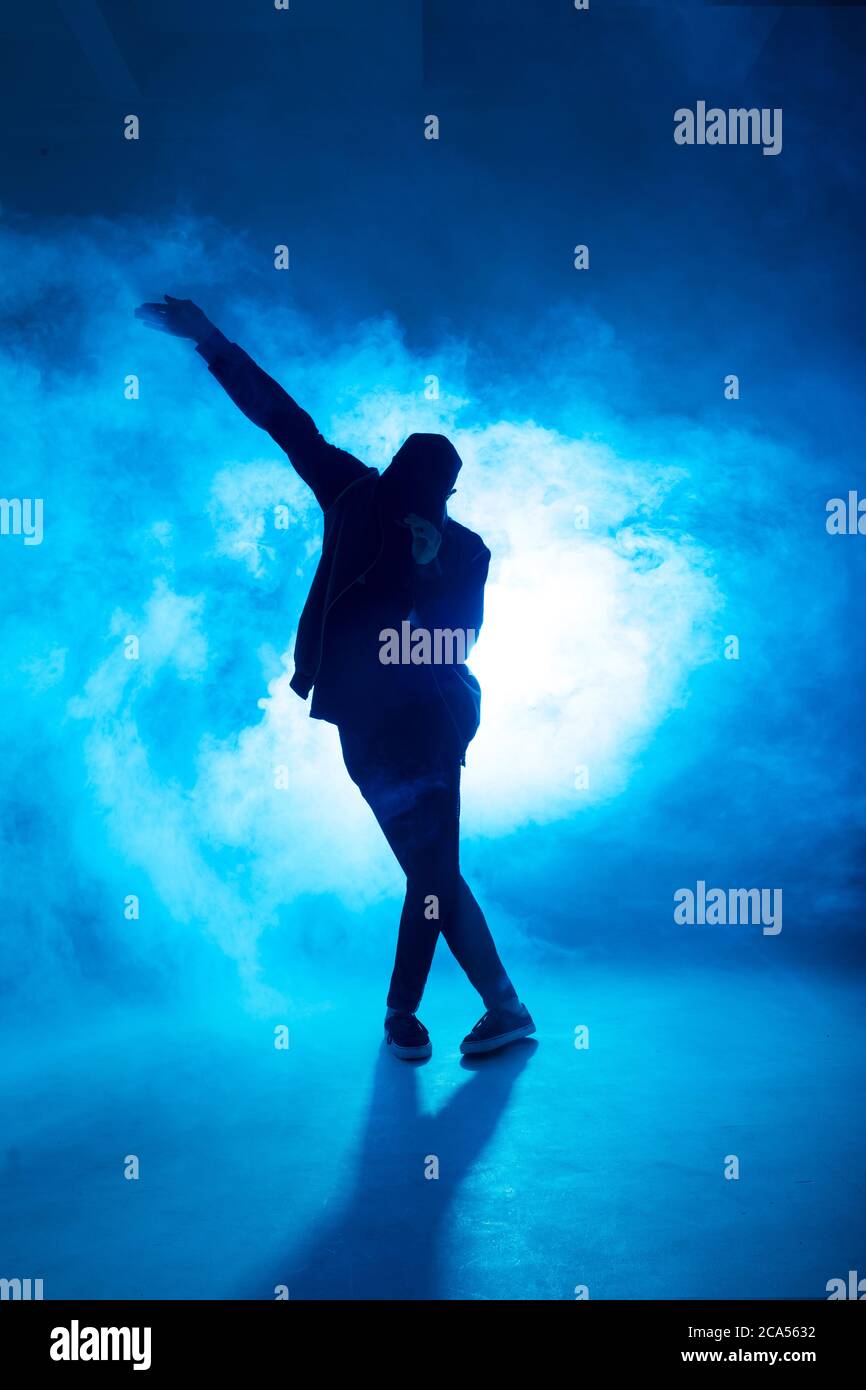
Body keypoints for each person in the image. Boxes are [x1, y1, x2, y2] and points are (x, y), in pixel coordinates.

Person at [136, 295, 535, 1060]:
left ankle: (412, 1015)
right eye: (406, 493)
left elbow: (455, 644)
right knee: (432, 872)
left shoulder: (464, 550)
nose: (415, 509)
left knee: (431, 869)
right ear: (389, 479)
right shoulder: (352, 494)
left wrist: (425, 574)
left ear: (447, 503)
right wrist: (212, 341)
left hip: (432, 719)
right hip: (360, 719)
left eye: (430, 502)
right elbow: (285, 421)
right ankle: (490, 1008)